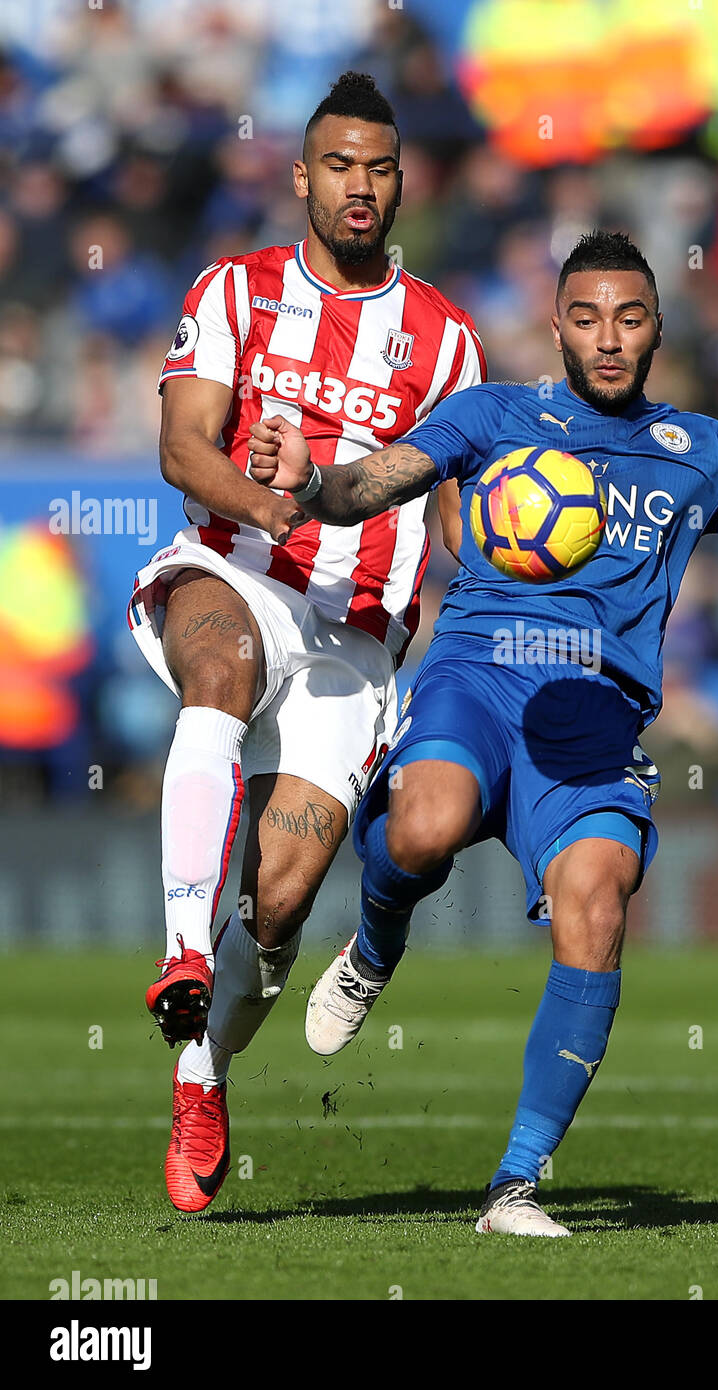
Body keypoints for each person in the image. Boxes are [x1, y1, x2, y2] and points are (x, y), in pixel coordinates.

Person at [246, 229, 718, 1236]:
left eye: (629, 318)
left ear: (656, 330)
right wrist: (308, 482)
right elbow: (366, 485)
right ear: (557, 326)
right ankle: (376, 946)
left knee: (597, 905)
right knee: (423, 828)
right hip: (479, 676)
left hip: (597, 715)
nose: (608, 338)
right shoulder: (494, 415)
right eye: (587, 317)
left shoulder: (704, 451)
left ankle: (514, 1186)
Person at [129, 71, 485, 1213]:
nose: (359, 186)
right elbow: (184, 448)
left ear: (402, 183)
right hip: (234, 569)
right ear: (301, 178)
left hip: (356, 640)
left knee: (278, 909)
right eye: (338, 166)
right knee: (219, 672)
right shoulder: (233, 291)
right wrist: (271, 508)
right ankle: (183, 951)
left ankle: (202, 1070)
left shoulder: (448, 340)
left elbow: (455, 520)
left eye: (378, 168)